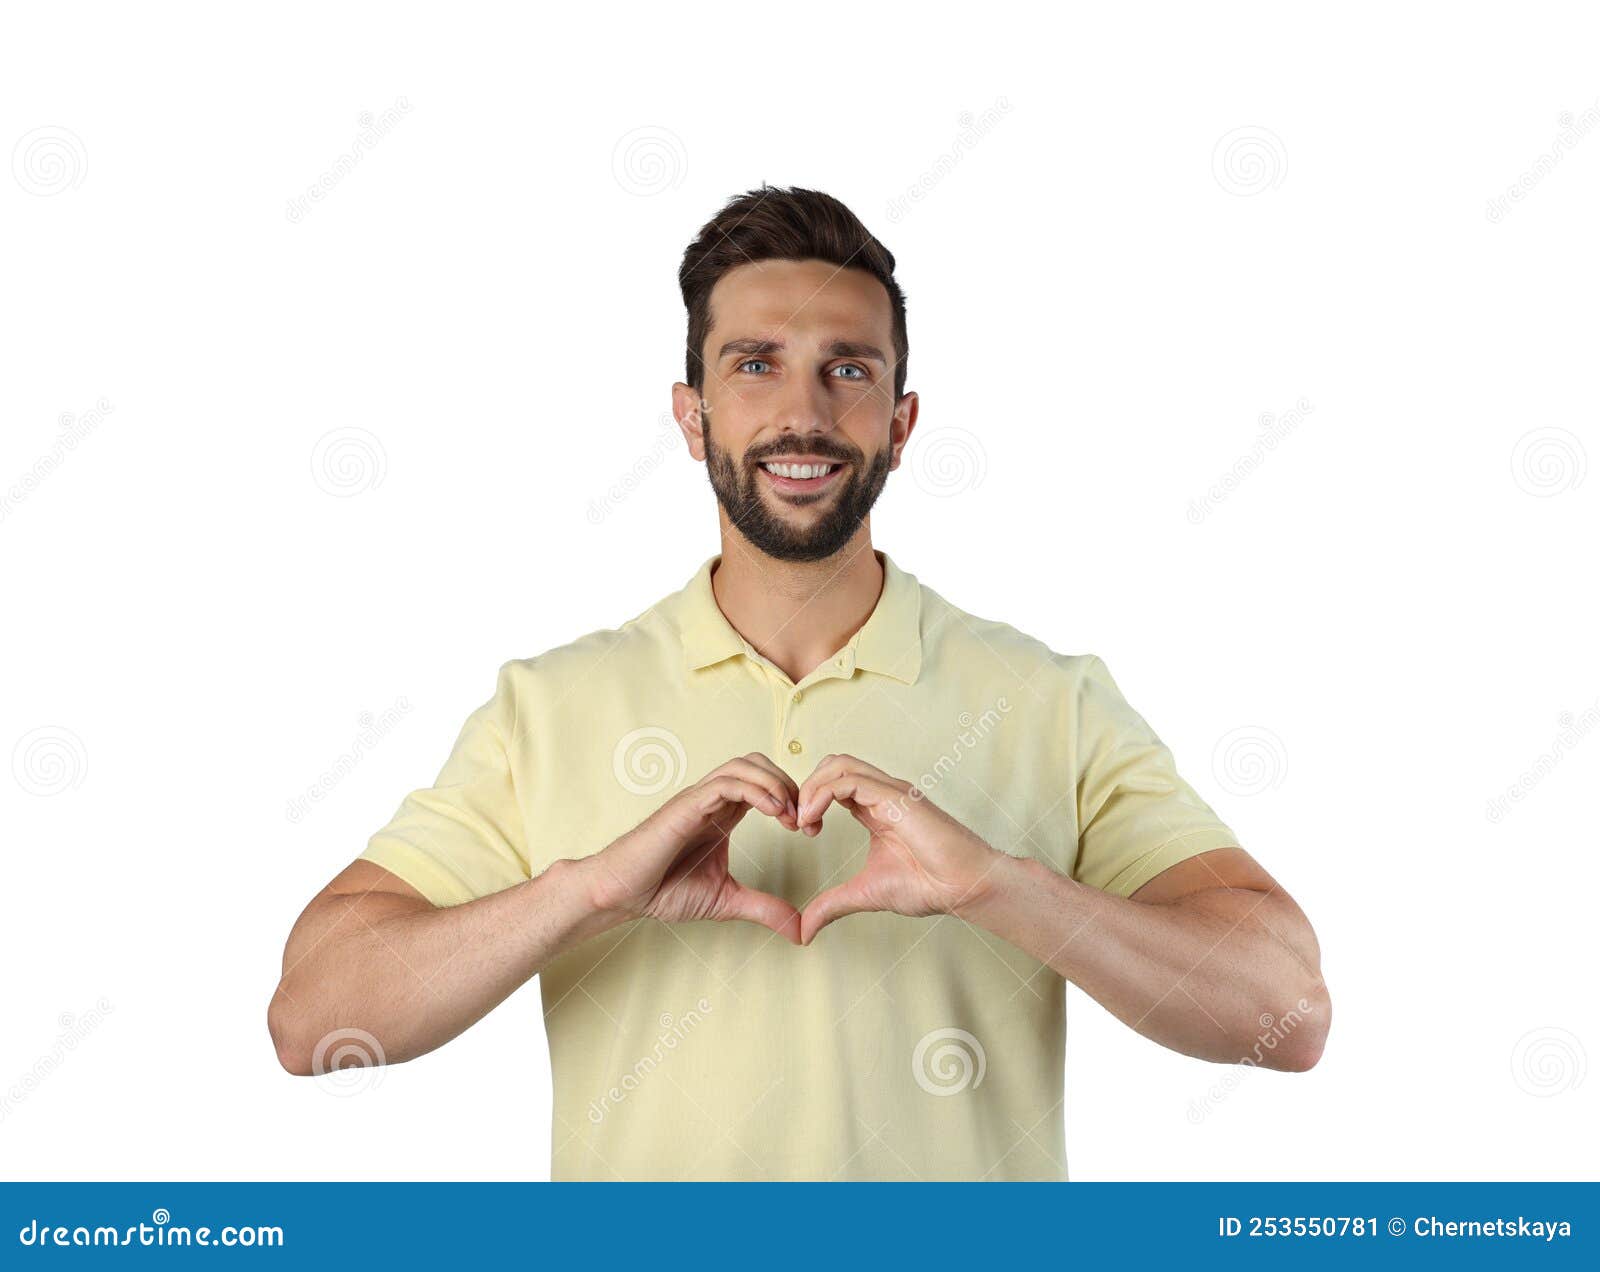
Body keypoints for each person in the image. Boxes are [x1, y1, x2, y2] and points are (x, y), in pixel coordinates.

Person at [268, 185, 1329, 1181]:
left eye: (849, 368)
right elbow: (313, 1021)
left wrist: (999, 889)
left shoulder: (1052, 700)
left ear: (901, 426)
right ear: (691, 418)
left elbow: (1287, 1011)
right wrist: (586, 893)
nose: (804, 411)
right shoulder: (543, 709)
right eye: (755, 364)